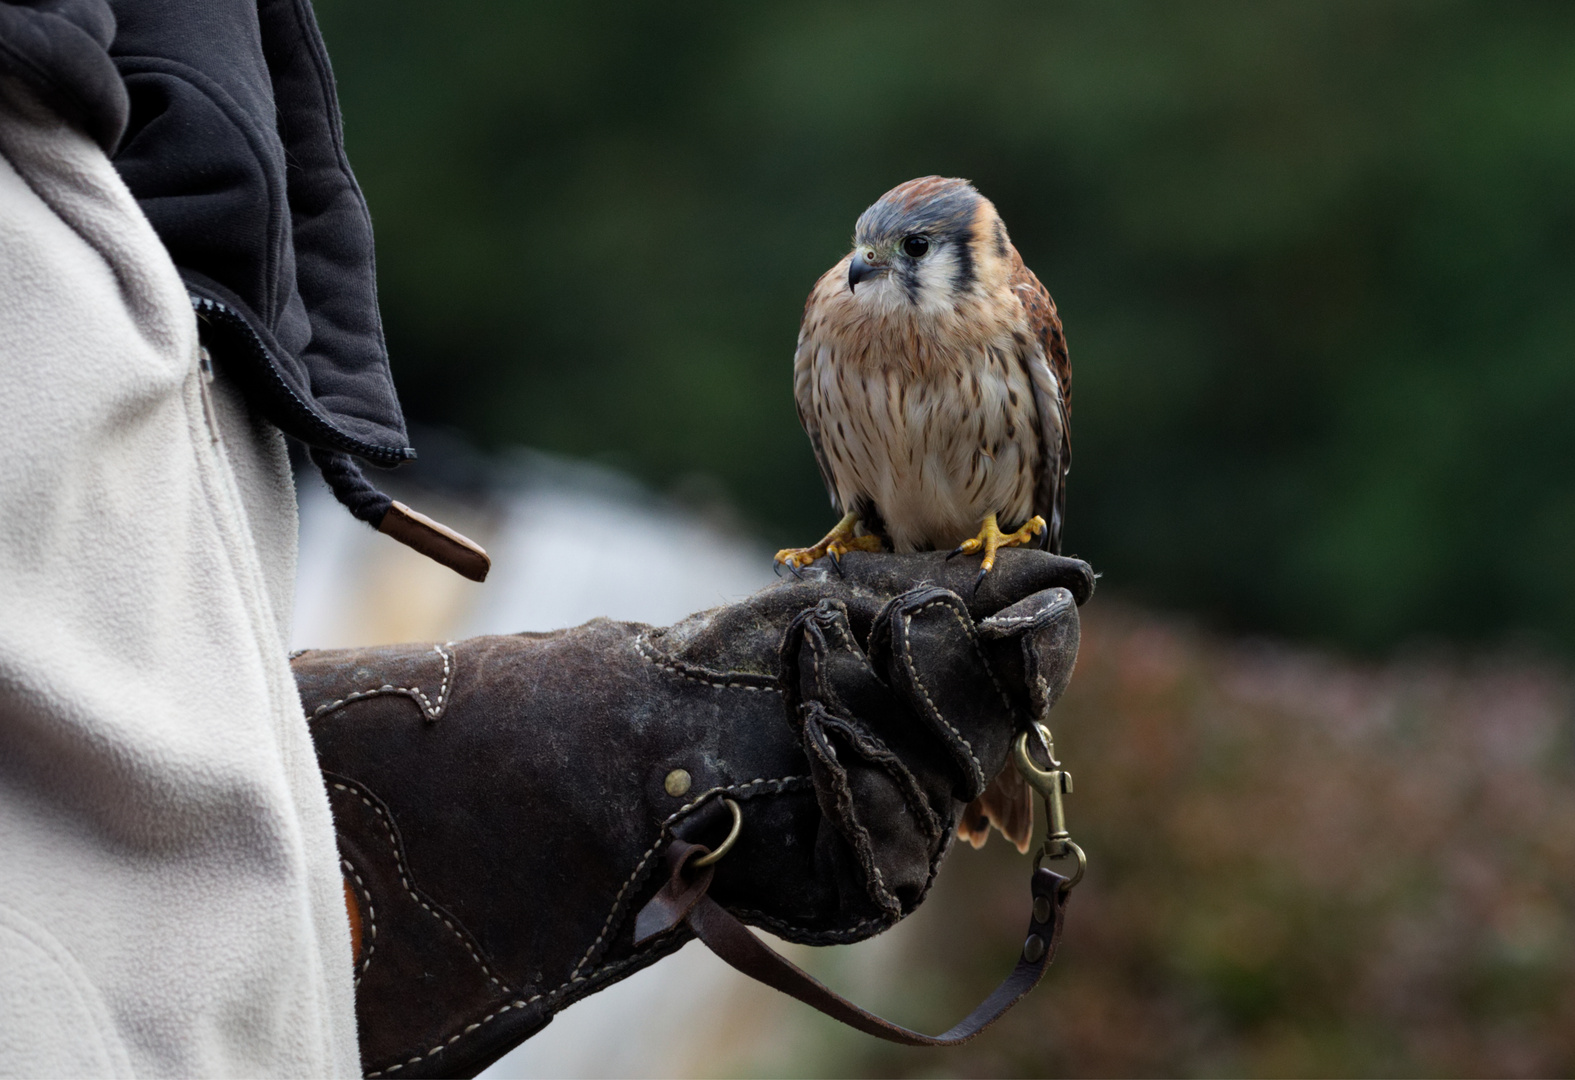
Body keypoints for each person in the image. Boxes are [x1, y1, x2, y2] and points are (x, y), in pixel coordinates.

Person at [0, 2, 1091, 1075]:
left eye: (900, 253)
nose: (865, 273)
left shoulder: (1017, 314)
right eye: (866, 252)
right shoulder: (839, 308)